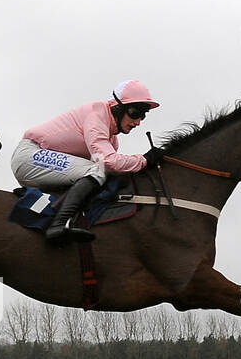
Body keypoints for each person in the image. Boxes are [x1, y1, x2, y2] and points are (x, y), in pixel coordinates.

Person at [11, 80, 166, 244]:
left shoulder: (111, 139)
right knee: (97, 171)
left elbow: (111, 168)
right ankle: (58, 225)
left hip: (42, 160)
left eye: (143, 115)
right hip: (30, 156)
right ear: (118, 107)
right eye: (135, 112)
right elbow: (109, 163)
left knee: (101, 176)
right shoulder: (97, 116)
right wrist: (144, 160)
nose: (138, 122)